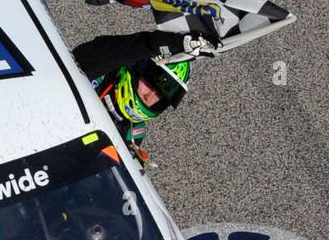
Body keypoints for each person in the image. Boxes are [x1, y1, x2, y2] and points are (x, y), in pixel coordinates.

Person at [72, 13, 220, 164]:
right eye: (149, 85)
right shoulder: (91, 73)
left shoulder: (133, 133)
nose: (150, 97)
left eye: (160, 96)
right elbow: (112, 50)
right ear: (135, 68)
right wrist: (167, 44)